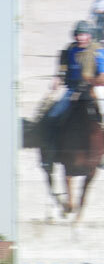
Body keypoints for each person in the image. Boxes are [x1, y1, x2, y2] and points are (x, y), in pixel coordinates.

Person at [43, 20, 104, 164]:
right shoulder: (70, 50)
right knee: (54, 115)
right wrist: (57, 79)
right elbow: (63, 69)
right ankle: (51, 150)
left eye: (84, 34)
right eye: (78, 35)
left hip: (93, 88)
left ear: (90, 36)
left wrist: (92, 81)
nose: (80, 38)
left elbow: (102, 74)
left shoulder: (98, 51)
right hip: (73, 89)